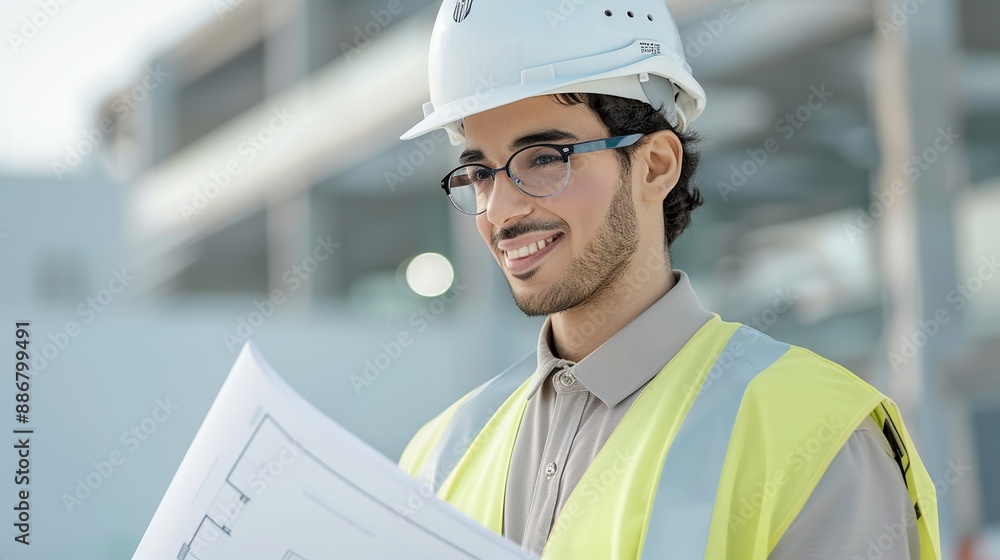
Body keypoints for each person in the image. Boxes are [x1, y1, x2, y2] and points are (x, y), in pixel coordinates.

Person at [396, 1, 941, 558]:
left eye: (543, 157)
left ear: (656, 165)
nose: (500, 210)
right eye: (479, 173)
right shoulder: (437, 457)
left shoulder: (813, 435)